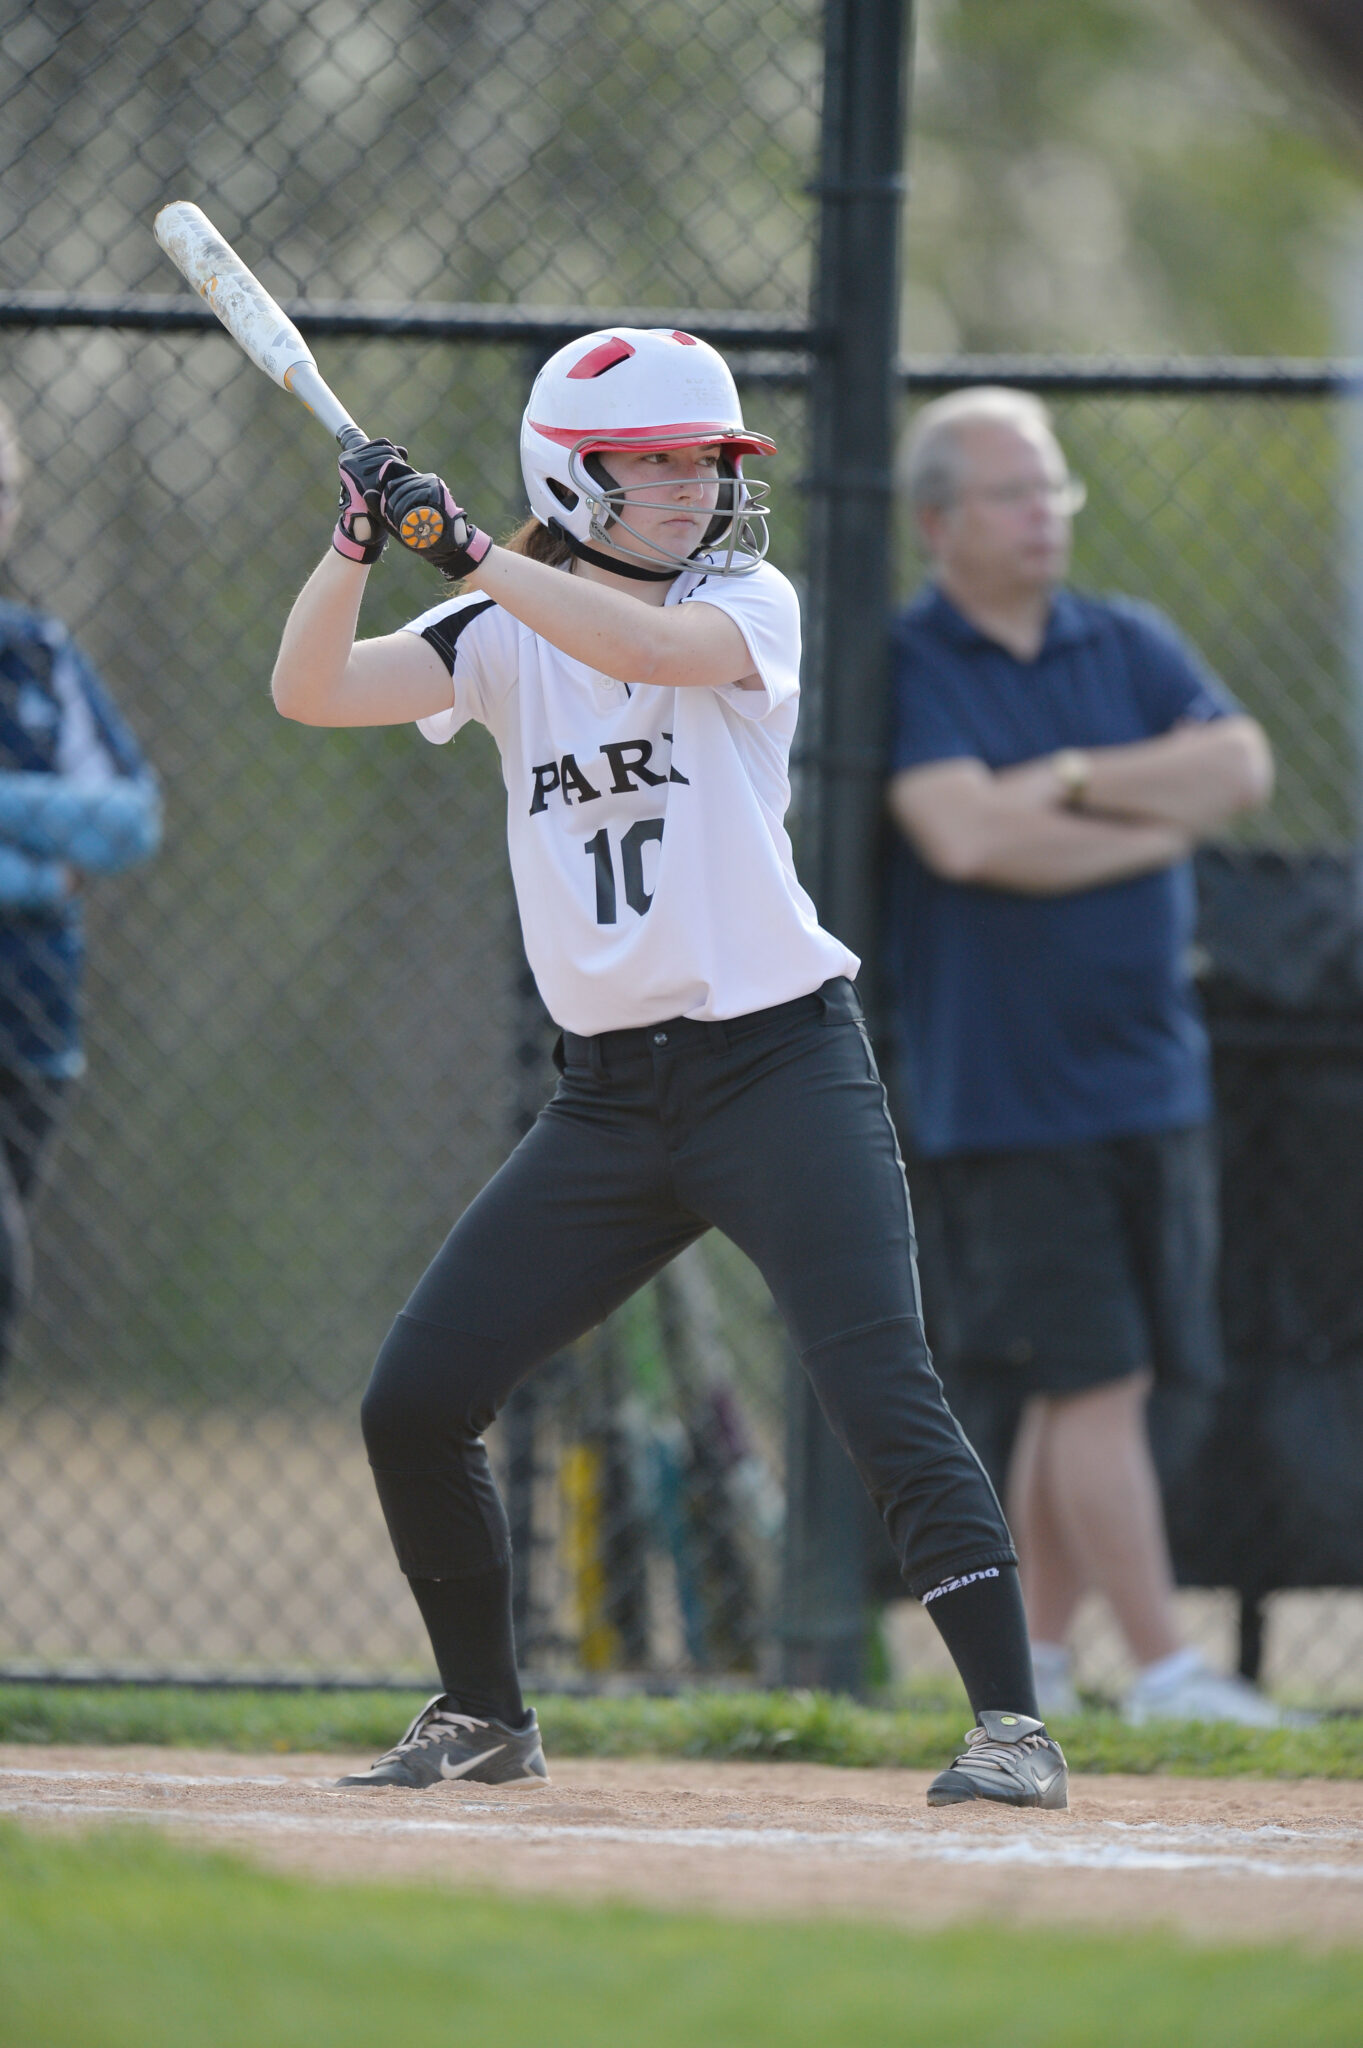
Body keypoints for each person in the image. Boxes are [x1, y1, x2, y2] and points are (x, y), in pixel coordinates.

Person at [272, 328, 1066, 1808]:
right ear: (574, 477)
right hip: (606, 1105)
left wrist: (466, 553)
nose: (696, 487)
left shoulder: (744, 604)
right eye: (656, 465)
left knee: (877, 1390)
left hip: (776, 1071)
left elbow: (633, 650)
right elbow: (309, 689)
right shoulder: (495, 636)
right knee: (415, 1397)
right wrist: (359, 544)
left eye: (708, 462)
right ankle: (484, 1713)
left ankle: (1010, 1726)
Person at [885, 386, 1283, 1727]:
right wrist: (1125, 797)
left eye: (1048, 487)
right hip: (1006, 1096)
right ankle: (1165, 1670)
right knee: (1089, 1381)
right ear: (937, 521)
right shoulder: (912, 663)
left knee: (1090, 1391)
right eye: (1008, 491)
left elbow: (1234, 767)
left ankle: (1039, 1663)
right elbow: (964, 840)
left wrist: (1051, 784)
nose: (1039, 513)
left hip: (1148, 1078)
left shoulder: (1128, 639)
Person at [0, 399, 161, 1384]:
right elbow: (75, 832)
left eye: (4, 488)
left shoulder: (39, 653)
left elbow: (130, 819)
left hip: (30, 1027)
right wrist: (38, 862)